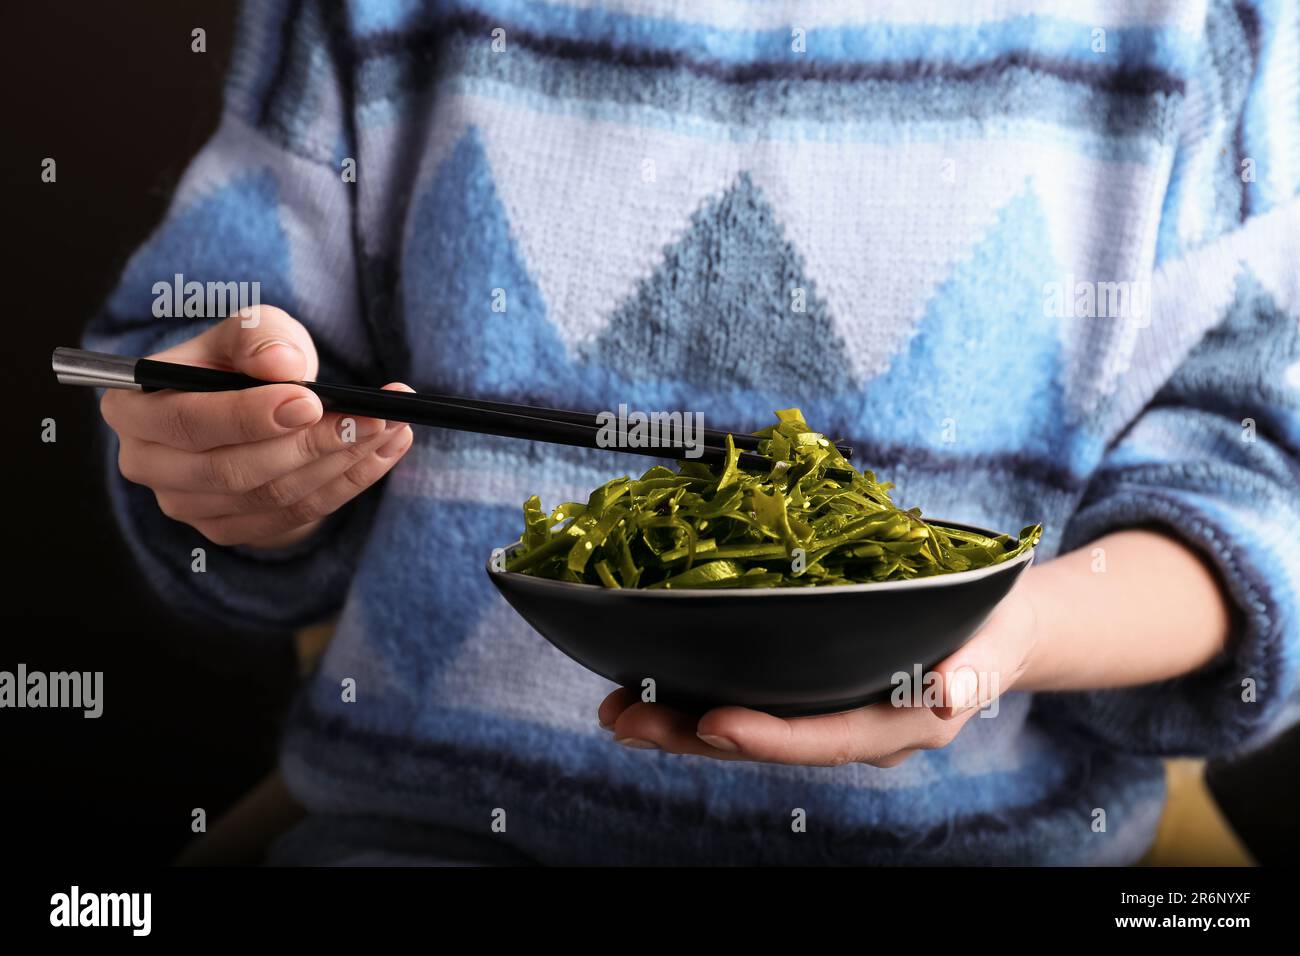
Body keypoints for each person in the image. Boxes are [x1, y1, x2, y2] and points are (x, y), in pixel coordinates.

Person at [87, 0, 1299, 864]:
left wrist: (1013, 630)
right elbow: (201, 359)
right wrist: (230, 462)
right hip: (422, 830)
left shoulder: (1202, 26)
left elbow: (1264, 484)